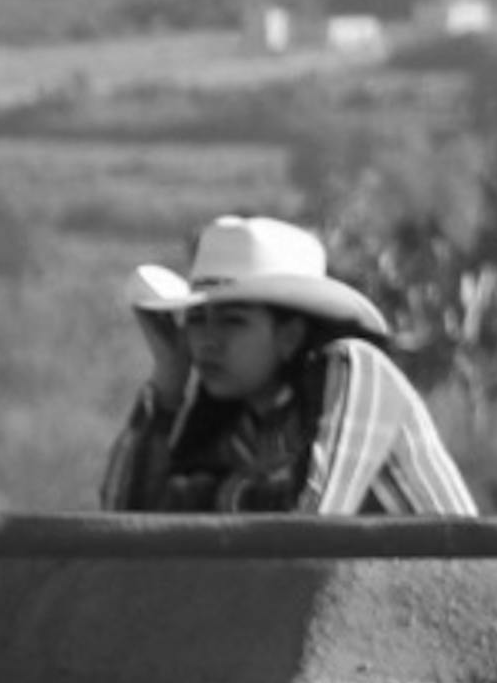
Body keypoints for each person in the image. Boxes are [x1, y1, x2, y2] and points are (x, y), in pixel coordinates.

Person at [101, 216, 476, 517]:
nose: (207, 340)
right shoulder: (243, 428)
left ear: (290, 336)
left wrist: (217, 496)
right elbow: (128, 525)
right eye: (196, 320)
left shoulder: (356, 367)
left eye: (232, 321)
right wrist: (169, 379)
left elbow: (312, 518)